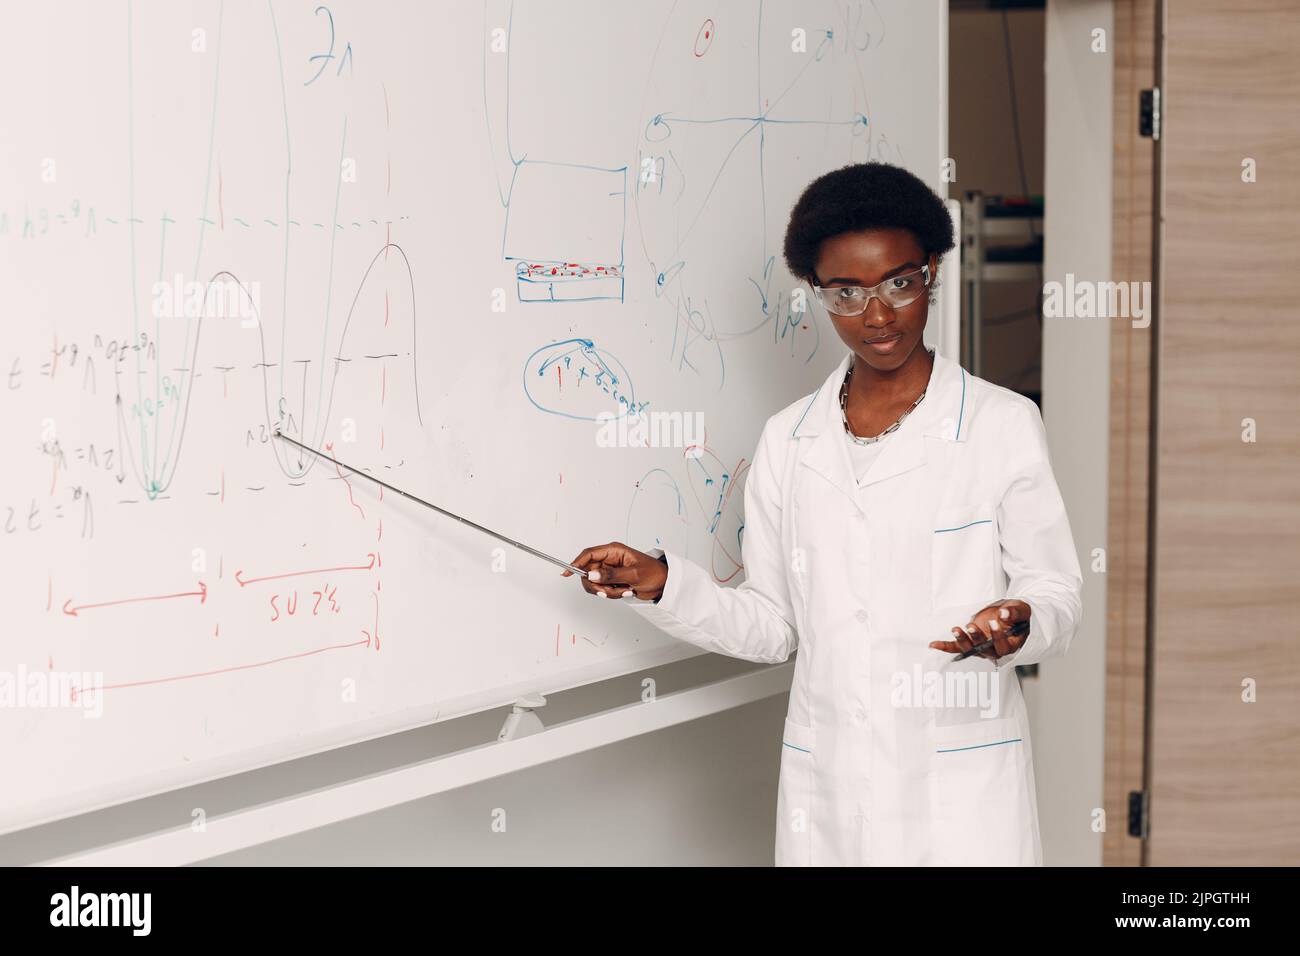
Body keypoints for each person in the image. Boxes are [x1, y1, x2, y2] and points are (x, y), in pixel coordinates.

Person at [563, 161, 1082, 866]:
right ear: (817, 292)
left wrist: (1019, 624)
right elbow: (775, 627)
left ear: (930, 269)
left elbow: (1054, 592)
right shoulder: (789, 439)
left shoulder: (1000, 424)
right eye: (846, 293)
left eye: (899, 282)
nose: (876, 315)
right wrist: (663, 582)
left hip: (960, 795)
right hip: (832, 792)